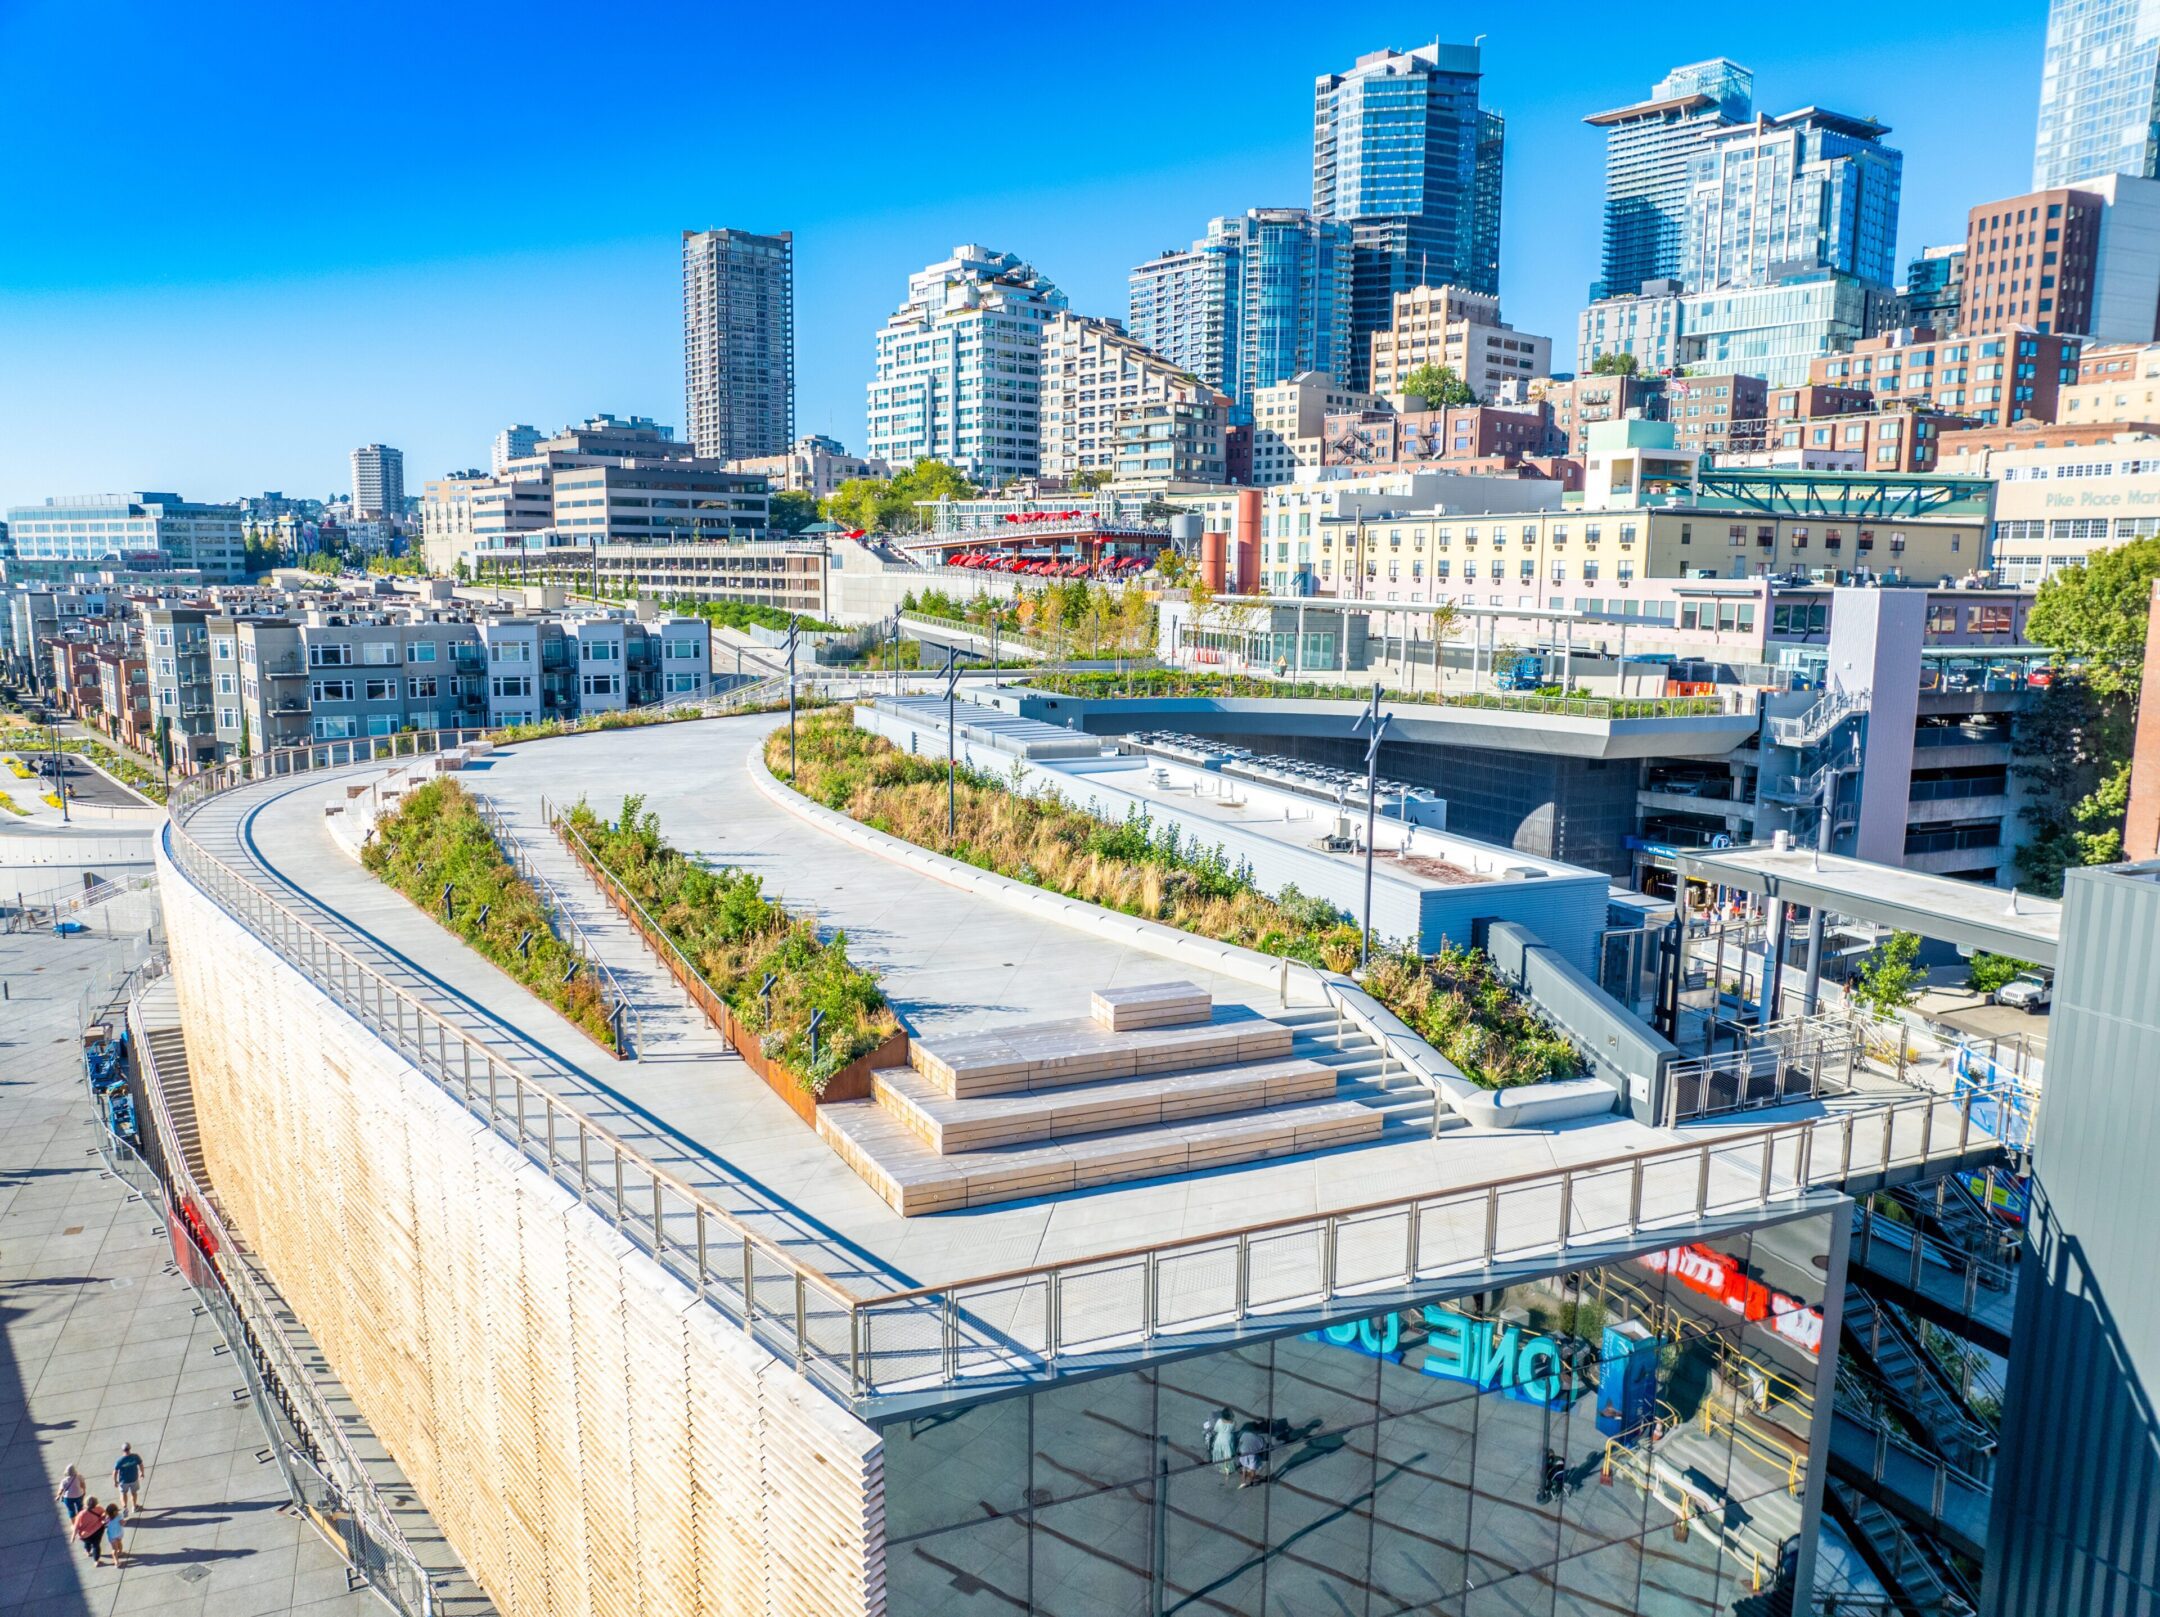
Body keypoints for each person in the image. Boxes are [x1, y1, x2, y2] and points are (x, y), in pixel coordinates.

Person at [72, 1498, 107, 1566]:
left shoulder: (81, 1514)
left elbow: (76, 1525)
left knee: (87, 1542)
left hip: (85, 1535)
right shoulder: (99, 1508)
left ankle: (87, 1551)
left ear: (85, 1503)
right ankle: (96, 1561)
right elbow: (104, 1514)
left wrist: (73, 1536)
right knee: (96, 1545)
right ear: (96, 1502)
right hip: (98, 1530)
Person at [1204, 1409, 1237, 1483]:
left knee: (1219, 1453)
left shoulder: (1219, 1422)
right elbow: (1233, 1429)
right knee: (1227, 1455)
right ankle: (1227, 1469)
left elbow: (1216, 1429)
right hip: (1228, 1439)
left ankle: (1222, 1468)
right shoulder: (1234, 1422)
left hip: (1220, 1439)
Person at [112, 1443, 145, 1511]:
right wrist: (142, 1473)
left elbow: (115, 1472)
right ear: (130, 1448)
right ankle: (134, 1507)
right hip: (134, 1479)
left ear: (122, 1450)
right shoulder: (135, 1457)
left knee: (123, 1493)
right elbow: (141, 1464)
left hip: (123, 1481)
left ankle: (125, 1508)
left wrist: (115, 1481)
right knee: (134, 1493)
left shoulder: (120, 1460)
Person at [1236, 1422, 1267, 1487]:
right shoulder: (1260, 1438)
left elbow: (1240, 1443)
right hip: (1252, 1455)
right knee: (1253, 1469)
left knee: (1244, 1467)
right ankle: (1251, 1481)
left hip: (1243, 1453)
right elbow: (1263, 1447)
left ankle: (1243, 1481)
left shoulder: (1244, 1434)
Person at [104, 1501, 126, 1567]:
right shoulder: (119, 1516)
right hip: (119, 1533)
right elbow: (122, 1523)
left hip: (111, 1535)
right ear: (116, 1511)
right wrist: (124, 1522)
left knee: (114, 1549)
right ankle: (120, 1552)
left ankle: (116, 1561)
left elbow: (105, 1524)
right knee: (119, 1542)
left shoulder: (107, 1518)